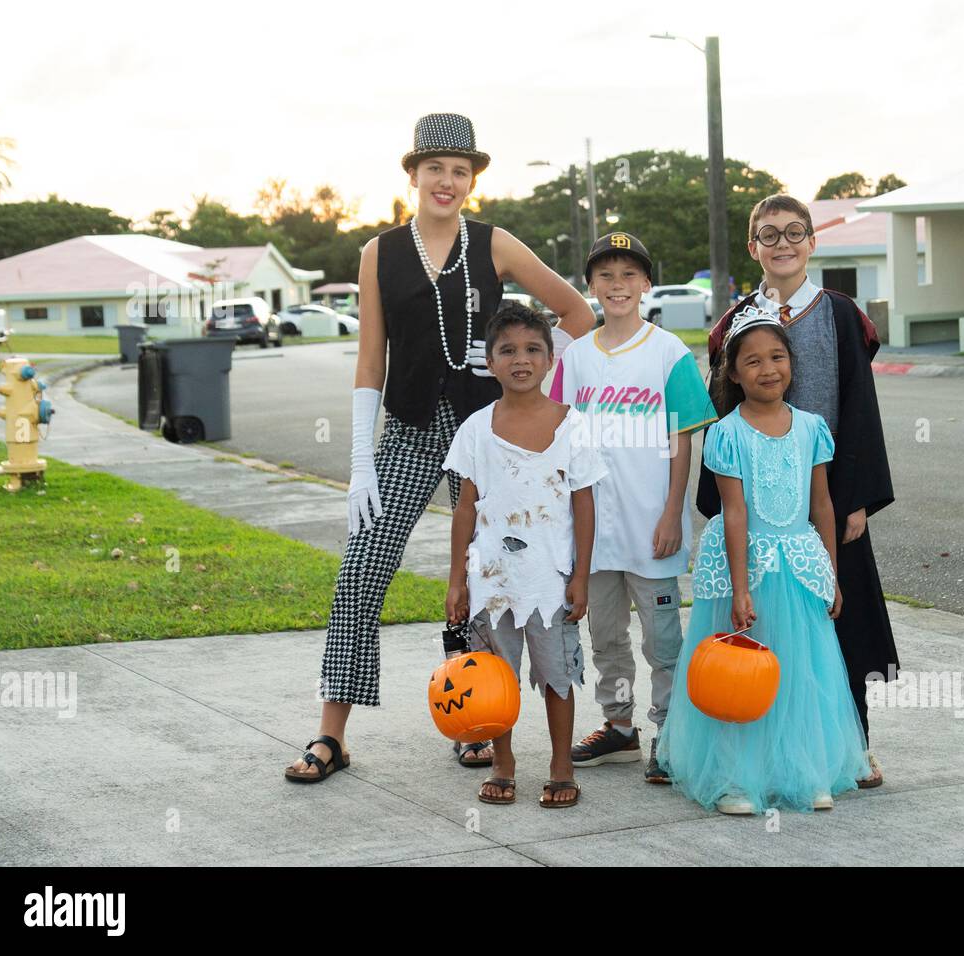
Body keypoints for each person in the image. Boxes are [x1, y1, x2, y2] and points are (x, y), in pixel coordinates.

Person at [285, 113, 594, 783]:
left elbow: (577, 314)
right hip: (410, 429)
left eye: (460, 171)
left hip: (489, 435)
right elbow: (371, 359)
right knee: (361, 569)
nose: (447, 182)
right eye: (435, 170)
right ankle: (331, 736)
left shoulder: (495, 244)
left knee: (484, 576)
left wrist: (527, 378)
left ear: (472, 179)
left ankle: (474, 722)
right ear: (414, 175)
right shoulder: (379, 253)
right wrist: (361, 462)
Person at [697, 193, 893, 787]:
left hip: (824, 500)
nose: (782, 243)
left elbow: (859, 407)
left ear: (812, 242)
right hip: (756, 507)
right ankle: (757, 750)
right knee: (762, 630)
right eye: (768, 234)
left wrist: (856, 496)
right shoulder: (735, 323)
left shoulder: (838, 314)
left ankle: (851, 745)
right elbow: (720, 409)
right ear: (753, 247)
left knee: (840, 625)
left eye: (794, 232)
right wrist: (719, 503)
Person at [659, 310, 870, 814]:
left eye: (777, 357)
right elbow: (734, 513)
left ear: (791, 364)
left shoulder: (813, 429)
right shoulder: (728, 433)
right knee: (739, 676)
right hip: (747, 566)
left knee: (800, 671)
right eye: (752, 361)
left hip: (798, 565)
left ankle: (806, 771)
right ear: (733, 373)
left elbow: (822, 506)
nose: (767, 369)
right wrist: (740, 588)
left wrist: (830, 575)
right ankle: (736, 777)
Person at [548, 232, 717, 782]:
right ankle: (619, 728)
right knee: (608, 638)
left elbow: (681, 442)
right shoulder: (574, 359)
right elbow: (555, 438)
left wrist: (674, 513)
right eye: (606, 275)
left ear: (646, 283)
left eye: (628, 275)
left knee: (663, 640)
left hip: (652, 526)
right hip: (593, 531)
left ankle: (669, 733)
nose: (617, 285)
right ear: (590, 285)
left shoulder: (668, 352)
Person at [442, 304, 607, 807]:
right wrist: (457, 579)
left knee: (558, 676)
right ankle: (502, 761)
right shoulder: (475, 429)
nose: (521, 359)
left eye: (533, 349)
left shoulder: (572, 425)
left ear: (550, 359)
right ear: (490, 362)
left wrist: (580, 576)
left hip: (549, 581)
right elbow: (465, 508)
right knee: (495, 678)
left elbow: (585, 505)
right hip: (492, 583)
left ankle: (561, 766)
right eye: (507, 350)